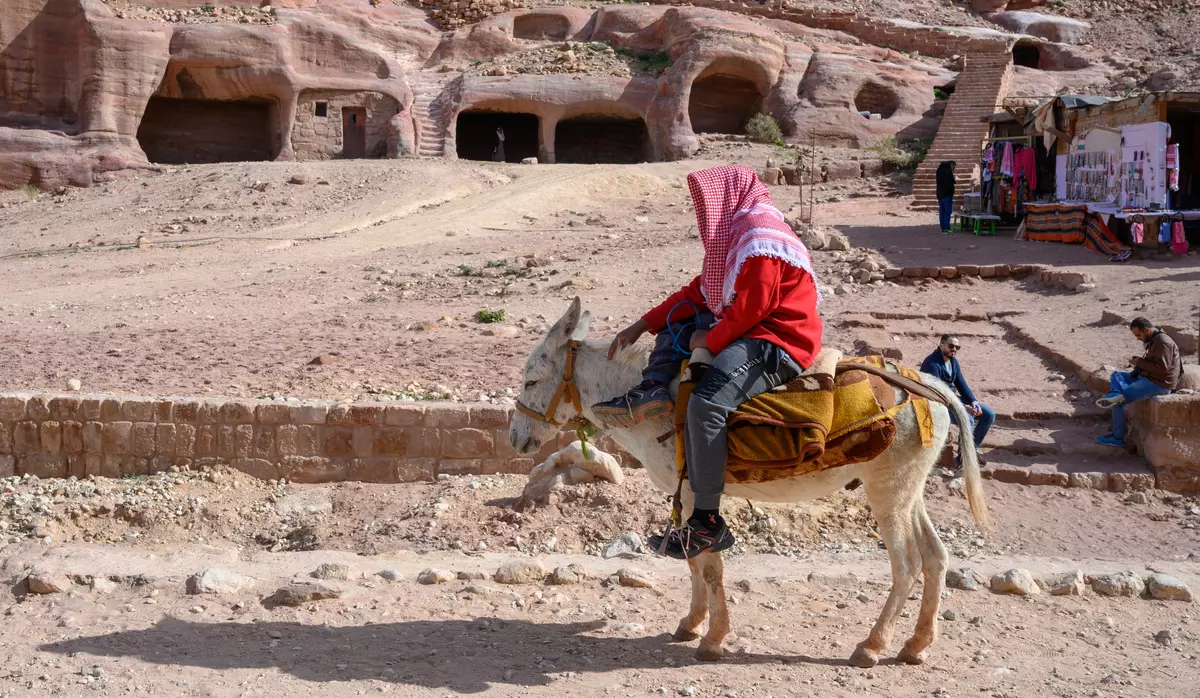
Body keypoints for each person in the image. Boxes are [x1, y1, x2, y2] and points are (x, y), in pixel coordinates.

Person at [591, 165, 823, 559]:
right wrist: (641, 326)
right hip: (755, 330)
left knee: (706, 402)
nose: (703, 210)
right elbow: (697, 293)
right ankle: (651, 389)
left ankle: (707, 521)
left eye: (706, 202)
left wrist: (710, 339)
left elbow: (754, 306)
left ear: (727, 196)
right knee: (680, 316)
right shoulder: (739, 239)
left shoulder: (760, 235)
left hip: (777, 341)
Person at [1096, 317, 1181, 447]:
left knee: (1119, 402)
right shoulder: (1154, 339)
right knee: (1116, 375)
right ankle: (1114, 394)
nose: (1138, 338)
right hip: (1147, 377)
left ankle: (1117, 437)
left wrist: (1139, 362)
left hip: (1158, 384)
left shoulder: (1163, 342)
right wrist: (1138, 367)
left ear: (1146, 330)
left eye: (1138, 335)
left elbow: (1163, 369)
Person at [919, 334, 994, 469]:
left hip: (952, 399)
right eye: (951, 346)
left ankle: (971, 451)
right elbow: (938, 392)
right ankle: (962, 460)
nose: (954, 349)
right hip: (937, 402)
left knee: (989, 415)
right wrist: (963, 408)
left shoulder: (953, 361)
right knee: (968, 420)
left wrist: (973, 401)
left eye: (957, 347)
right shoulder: (932, 363)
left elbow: (961, 383)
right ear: (941, 345)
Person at [936, 160, 956, 234]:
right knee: (947, 211)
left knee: (942, 211)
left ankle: (943, 228)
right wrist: (952, 190)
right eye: (953, 166)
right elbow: (949, 183)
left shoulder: (939, 170)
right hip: (947, 194)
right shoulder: (947, 171)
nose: (954, 168)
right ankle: (947, 228)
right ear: (951, 164)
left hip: (940, 194)